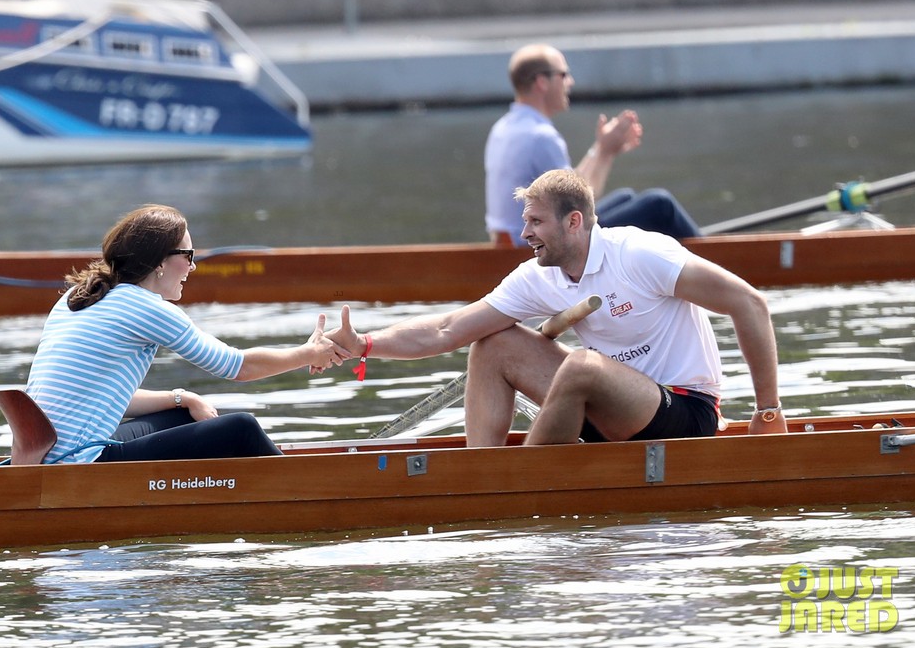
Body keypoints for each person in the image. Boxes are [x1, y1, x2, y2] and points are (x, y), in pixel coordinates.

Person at [333, 169, 785, 447]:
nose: (525, 233)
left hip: (685, 413)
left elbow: (749, 304)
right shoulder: (539, 275)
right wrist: (365, 344)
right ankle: (480, 475)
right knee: (492, 344)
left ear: (574, 222)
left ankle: (526, 481)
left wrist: (767, 412)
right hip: (608, 409)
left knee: (583, 366)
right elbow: (447, 329)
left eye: (536, 221)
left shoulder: (641, 254)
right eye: (524, 220)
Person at [26, 204, 349, 464]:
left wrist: (181, 397)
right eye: (188, 255)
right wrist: (309, 353)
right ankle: (309, 495)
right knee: (241, 428)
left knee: (185, 414)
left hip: (46, 457)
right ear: (160, 262)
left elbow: (105, 397)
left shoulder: (78, 297)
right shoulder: (147, 308)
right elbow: (239, 367)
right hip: (79, 462)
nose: (193, 267)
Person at [485, 43, 701, 245]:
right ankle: (716, 260)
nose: (570, 82)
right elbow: (576, 203)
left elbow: (567, 187)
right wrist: (605, 152)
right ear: (542, 82)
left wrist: (601, 148)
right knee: (659, 204)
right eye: (563, 75)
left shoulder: (503, 128)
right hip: (539, 244)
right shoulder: (541, 137)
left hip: (519, 239)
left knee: (626, 196)